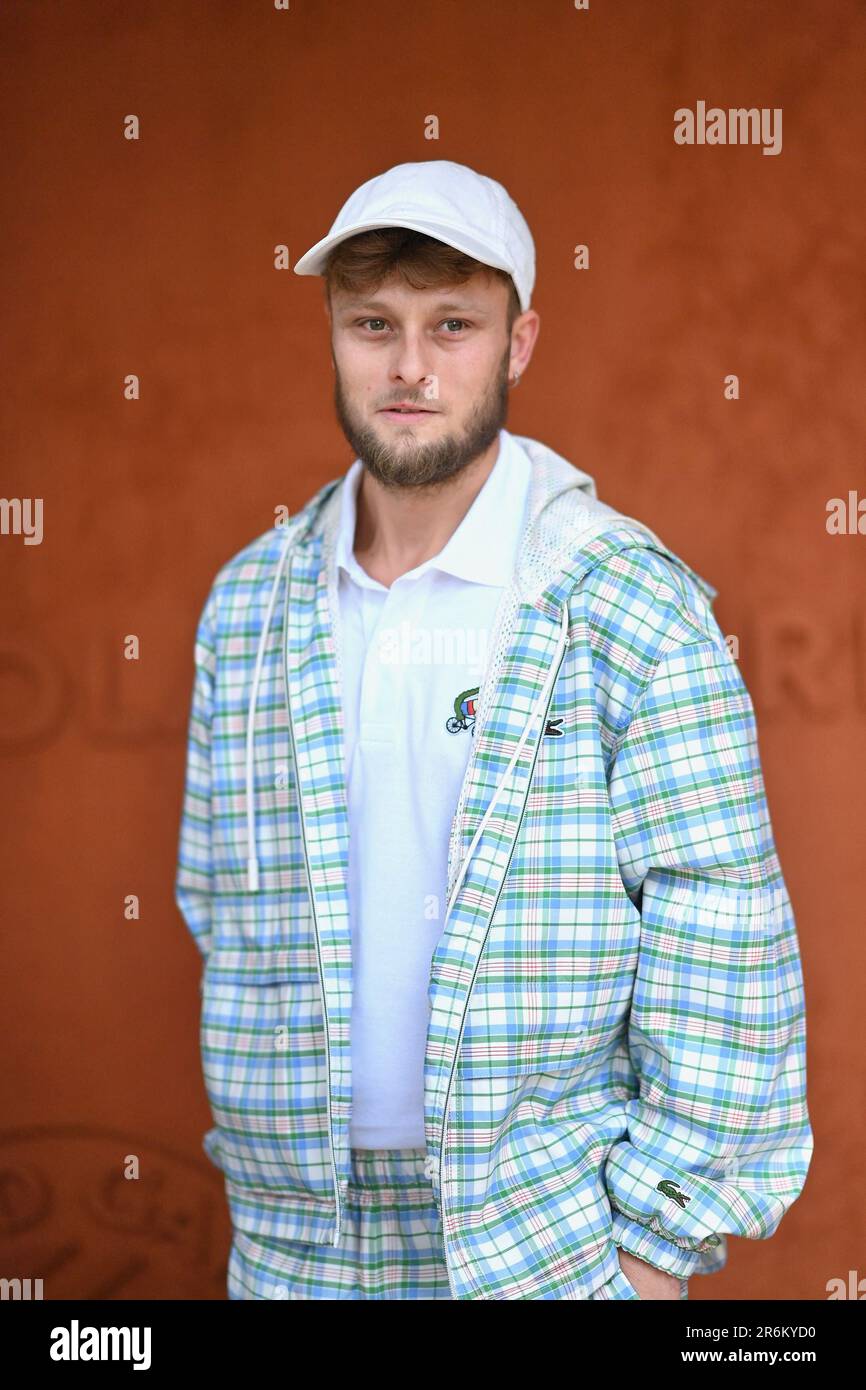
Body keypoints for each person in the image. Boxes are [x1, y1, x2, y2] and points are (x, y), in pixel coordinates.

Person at [175, 159, 813, 1301]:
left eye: (452, 325)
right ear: (331, 331)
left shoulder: (621, 600)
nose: (409, 366)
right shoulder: (249, 605)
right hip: (292, 1251)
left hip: (542, 1248)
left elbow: (722, 922)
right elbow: (217, 901)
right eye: (373, 323)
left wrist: (653, 1255)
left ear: (518, 344)